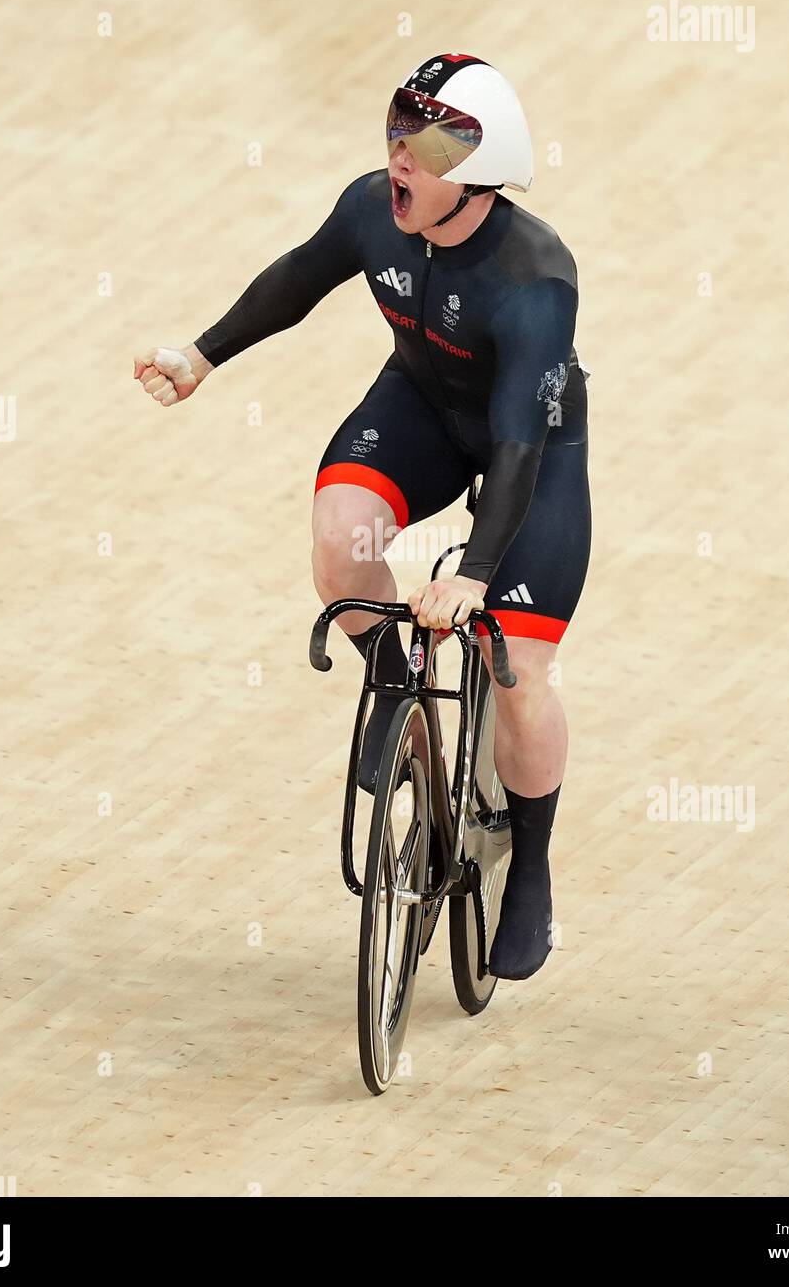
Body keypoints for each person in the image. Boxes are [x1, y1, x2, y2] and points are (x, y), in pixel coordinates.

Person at [133, 53, 590, 980]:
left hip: (526, 453)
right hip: (421, 410)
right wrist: (200, 355)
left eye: (426, 144)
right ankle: (397, 681)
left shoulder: (535, 278)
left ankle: (528, 861)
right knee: (341, 539)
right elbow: (297, 282)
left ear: (477, 170)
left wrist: (468, 576)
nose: (400, 160)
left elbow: (514, 447)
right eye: (395, 132)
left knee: (521, 669)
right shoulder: (368, 213)